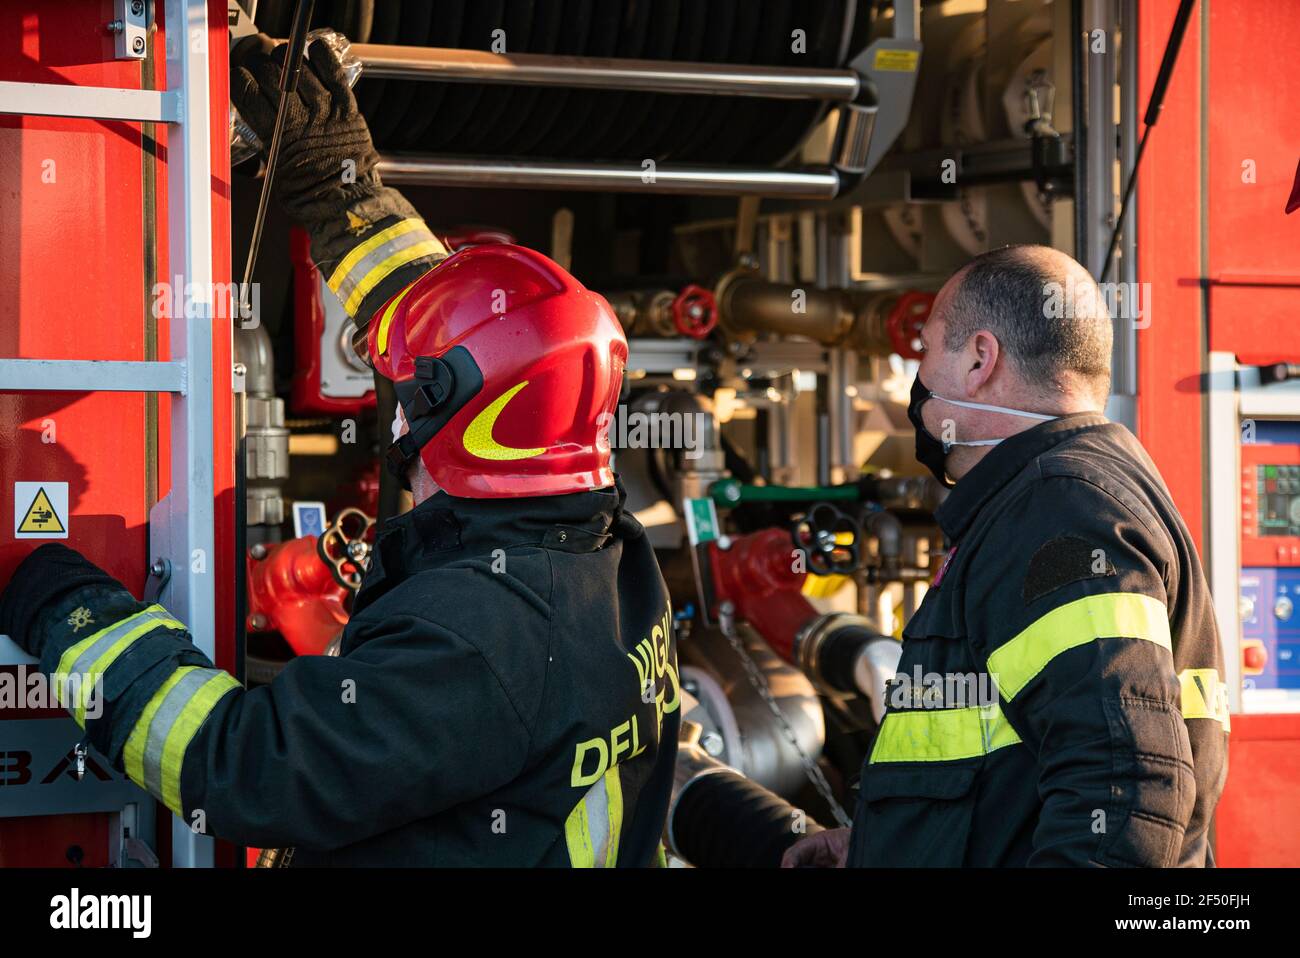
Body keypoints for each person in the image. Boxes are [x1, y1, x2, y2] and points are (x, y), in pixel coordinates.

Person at [0, 37, 680, 867]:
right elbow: (485, 346)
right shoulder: (612, 561)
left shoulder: (480, 637)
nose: (395, 410)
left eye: (408, 390)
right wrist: (339, 187)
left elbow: (244, 768)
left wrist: (50, 594)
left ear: (453, 419)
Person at [784, 245, 1228, 867]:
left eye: (928, 351)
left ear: (978, 359)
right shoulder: (1067, 497)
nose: (920, 380)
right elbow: (1019, 778)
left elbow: (1128, 792)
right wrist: (886, 847)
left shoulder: (1063, 510)